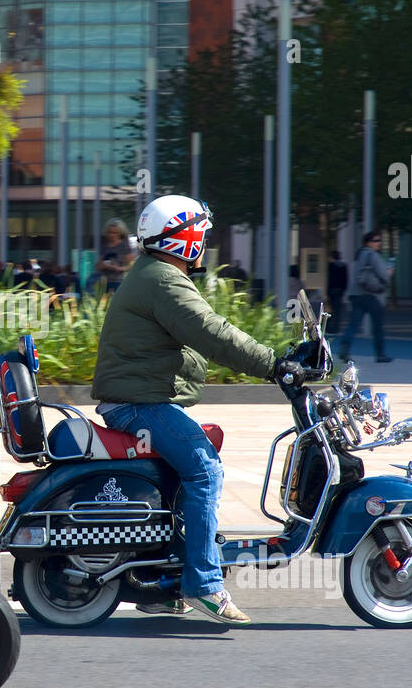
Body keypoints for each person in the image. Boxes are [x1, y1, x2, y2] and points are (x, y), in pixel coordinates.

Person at [91, 194, 301, 625]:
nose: (203, 243)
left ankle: (162, 583)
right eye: (200, 235)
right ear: (182, 239)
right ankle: (204, 584)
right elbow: (210, 331)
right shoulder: (163, 279)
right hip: (138, 404)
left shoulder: (153, 273)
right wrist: (274, 364)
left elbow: (204, 329)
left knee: (188, 470)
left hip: (141, 398)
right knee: (205, 469)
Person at [337, 231, 393, 363]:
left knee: (353, 324)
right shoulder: (372, 255)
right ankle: (380, 354)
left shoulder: (359, 255)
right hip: (369, 294)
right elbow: (383, 274)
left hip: (355, 295)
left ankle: (345, 348)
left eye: (379, 240)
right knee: (378, 325)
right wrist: (389, 272)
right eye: (376, 240)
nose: (378, 243)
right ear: (368, 242)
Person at [93, 219, 136, 293]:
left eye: (114, 233)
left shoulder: (124, 246)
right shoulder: (104, 246)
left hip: (118, 282)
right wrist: (102, 266)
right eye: (109, 232)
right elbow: (97, 266)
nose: (111, 235)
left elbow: (131, 266)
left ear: (120, 233)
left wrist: (117, 268)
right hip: (104, 282)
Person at [326, 249, 348, 333]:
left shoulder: (331, 265)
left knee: (330, 310)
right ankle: (336, 328)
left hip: (332, 290)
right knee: (337, 310)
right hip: (340, 291)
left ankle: (329, 328)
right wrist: (343, 289)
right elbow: (346, 279)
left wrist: (327, 292)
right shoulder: (344, 265)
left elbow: (330, 280)